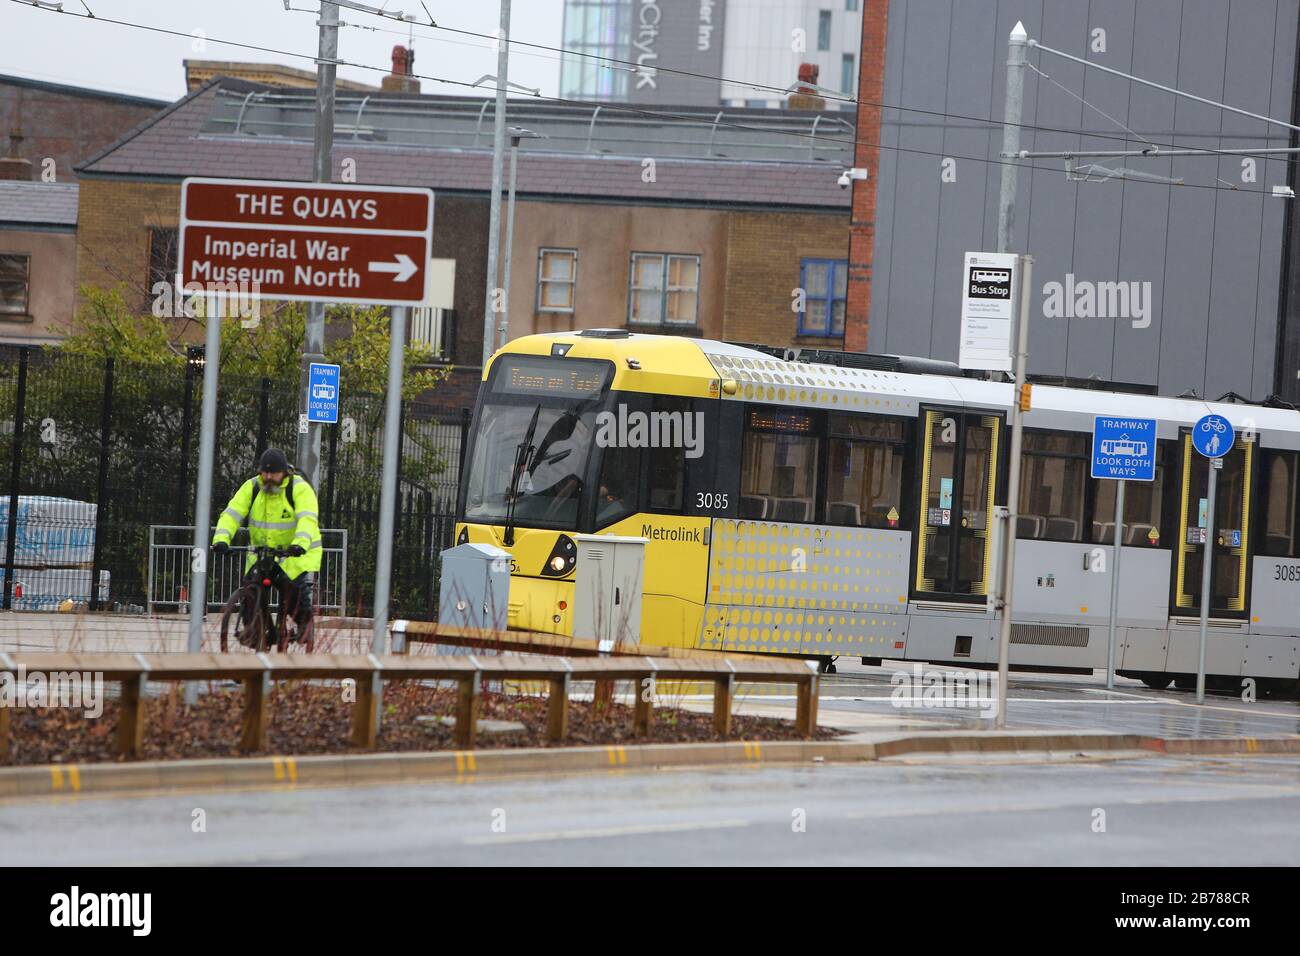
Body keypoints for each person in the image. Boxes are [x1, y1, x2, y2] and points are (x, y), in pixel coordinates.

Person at [211, 447, 321, 645]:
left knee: (292, 585)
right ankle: (254, 630)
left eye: (274, 473)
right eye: (265, 472)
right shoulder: (252, 487)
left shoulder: (299, 488)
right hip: (261, 553)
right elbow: (232, 514)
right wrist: (221, 539)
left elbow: (307, 519)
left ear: (284, 473)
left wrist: (299, 544)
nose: (268, 477)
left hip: (295, 553)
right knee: (251, 589)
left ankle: (305, 625)